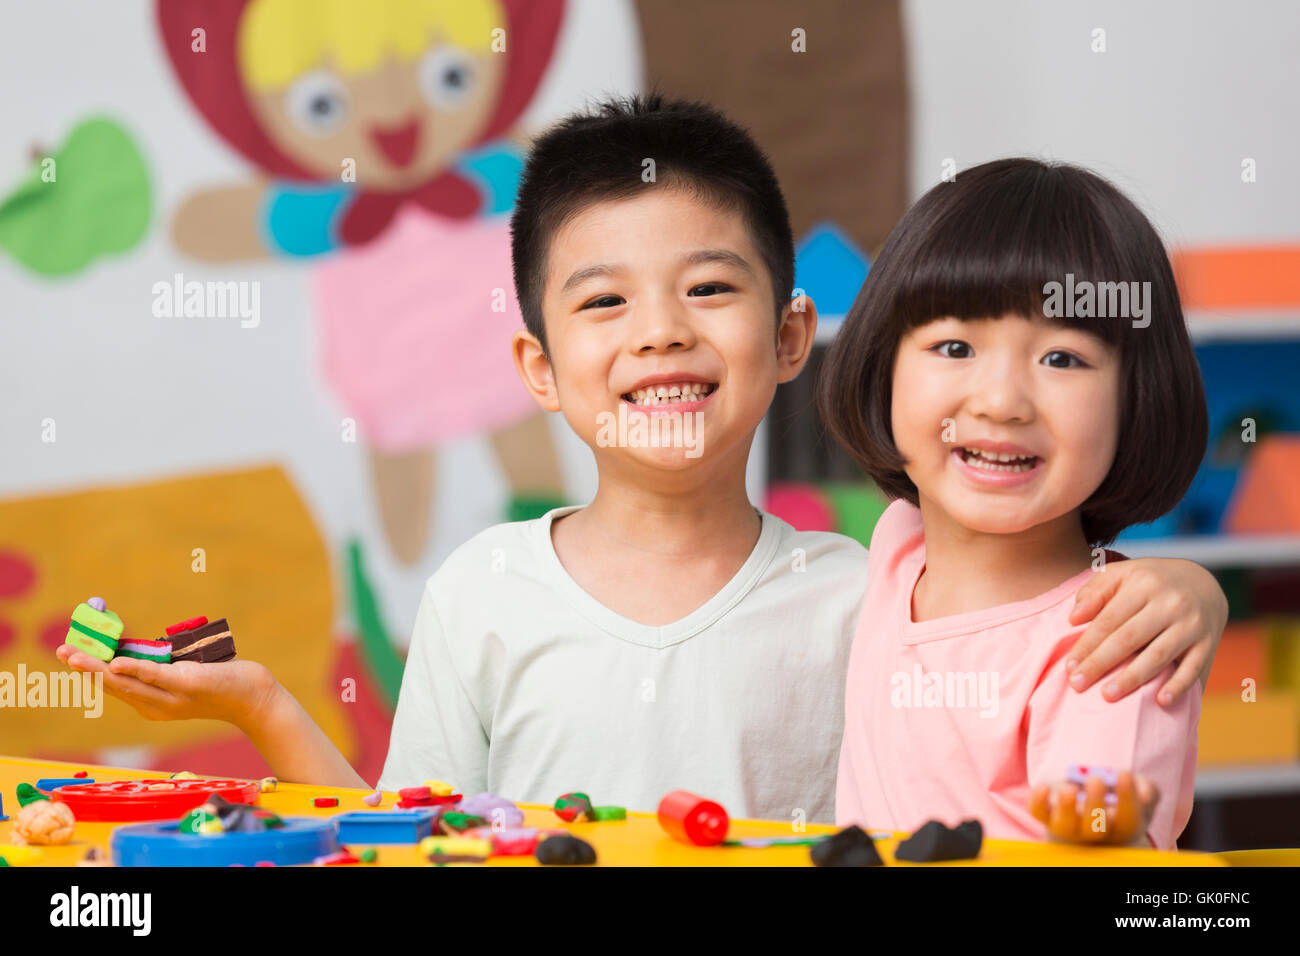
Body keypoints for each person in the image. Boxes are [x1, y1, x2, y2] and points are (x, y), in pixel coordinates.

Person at [60, 101, 1224, 824]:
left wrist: (1183, 584)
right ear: (538, 366)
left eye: (708, 287)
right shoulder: (480, 591)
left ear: (788, 337)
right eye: (604, 300)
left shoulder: (860, 586)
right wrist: (265, 704)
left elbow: (1023, 598)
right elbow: (399, 837)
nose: (660, 331)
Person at [822, 158, 1207, 847]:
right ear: (884, 368)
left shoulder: (1111, 648)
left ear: (1138, 399)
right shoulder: (901, 543)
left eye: (1062, 359)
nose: (1000, 401)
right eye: (954, 345)